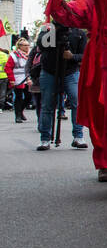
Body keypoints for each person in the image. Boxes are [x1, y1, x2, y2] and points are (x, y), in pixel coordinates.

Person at [36, 14, 86, 151]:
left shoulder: (78, 32)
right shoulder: (49, 28)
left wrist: (72, 56)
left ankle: (78, 136)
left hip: (70, 72)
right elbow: (41, 45)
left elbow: (85, 55)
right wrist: (53, 30)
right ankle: (45, 139)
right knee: (47, 104)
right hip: (49, 71)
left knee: (76, 101)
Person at [5, 39, 32, 122]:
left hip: (27, 78)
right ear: (20, 46)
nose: (27, 47)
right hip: (17, 79)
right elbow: (8, 68)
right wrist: (12, 80)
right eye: (25, 45)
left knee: (29, 97)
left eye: (28, 45)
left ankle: (21, 111)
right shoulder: (14, 55)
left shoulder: (29, 55)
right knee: (19, 97)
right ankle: (18, 116)